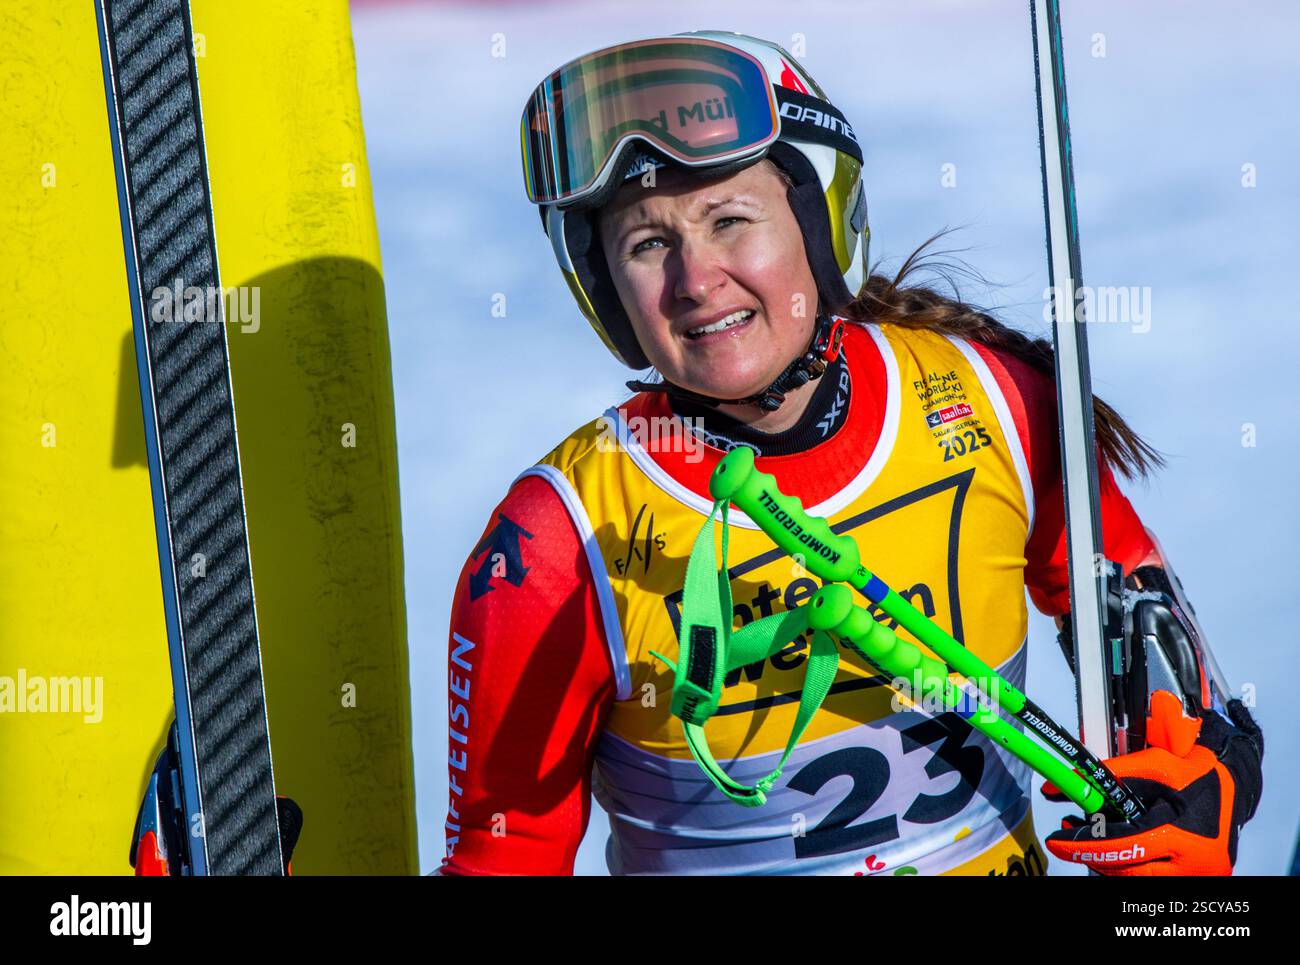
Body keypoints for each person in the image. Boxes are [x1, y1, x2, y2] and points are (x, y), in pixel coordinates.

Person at [440, 31, 1262, 876]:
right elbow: (501, 856)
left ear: (819, 223)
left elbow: (1172, 698)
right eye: (648, 244)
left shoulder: (994, 401)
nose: (695, 279)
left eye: (731, 220)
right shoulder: (552, 542)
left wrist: (1195, 804)